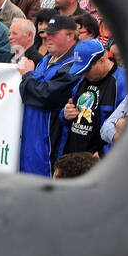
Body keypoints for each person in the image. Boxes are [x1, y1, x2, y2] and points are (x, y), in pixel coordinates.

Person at [18, 14, 83, 176]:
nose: (47, 38)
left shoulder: (74, 65)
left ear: (70, 36)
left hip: (49, 143)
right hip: (30, 140)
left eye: (54, 34)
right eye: (47, 34)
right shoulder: (46, 60)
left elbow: (46, 95)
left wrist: (28, 76)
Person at [55, 39, 124, 159]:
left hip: (98, 163)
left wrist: (104, 154)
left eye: (87, 69)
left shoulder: (122, 83)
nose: (83, 74)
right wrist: (65, 114)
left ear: (102, 60)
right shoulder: (83, 79)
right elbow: (70, 112)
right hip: (72, 157)